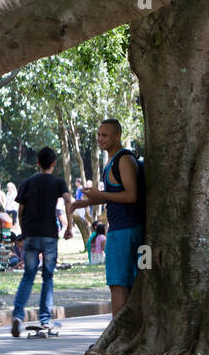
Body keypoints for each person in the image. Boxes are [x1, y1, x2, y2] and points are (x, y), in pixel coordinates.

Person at [73, 118, 143, 316]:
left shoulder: (124, 160)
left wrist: (101, 195)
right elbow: (116, 196)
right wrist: (86, 202)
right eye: (98, 135)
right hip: (122, 229)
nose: (100, 139)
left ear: (117, 136)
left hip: (125, 230)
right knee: (124, 283)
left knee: (118, 283)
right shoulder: (111, 162)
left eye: (105, 135)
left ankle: (118, 332)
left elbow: (131, 195)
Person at [11, 147, 69, 337]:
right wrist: (69, 226)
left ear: (38, 163)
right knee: (48, 277)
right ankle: (44, 319)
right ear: (54, 163)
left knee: (28, 275)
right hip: (49, 235)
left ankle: (18, 316)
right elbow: (68, 200)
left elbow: (20, 212)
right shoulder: (58, 182)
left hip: (31, 235)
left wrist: (24, 232)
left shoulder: (28, 183)